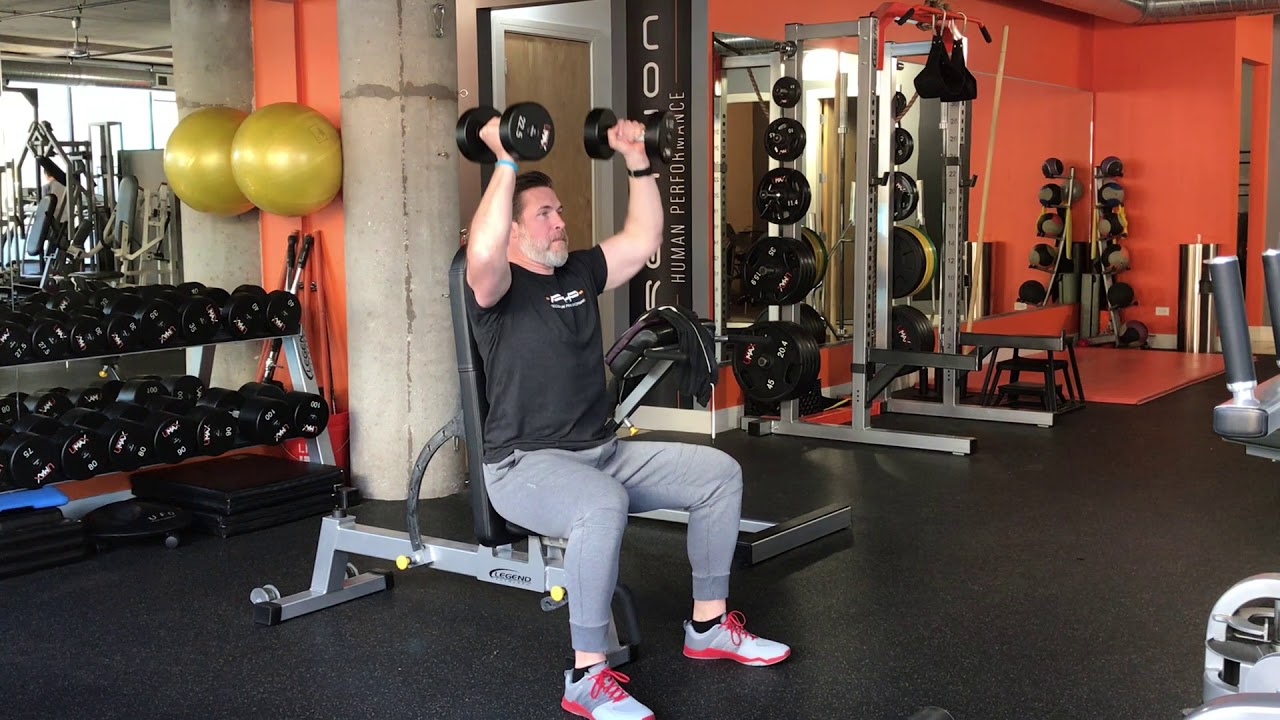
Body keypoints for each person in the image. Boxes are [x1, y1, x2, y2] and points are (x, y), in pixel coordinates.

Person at [463, 114, 790, 720]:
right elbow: (481, 253)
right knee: (600, 503)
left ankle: (708, 626)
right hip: (523, 466)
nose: (560, 221)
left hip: (602, 452)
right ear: (511, 229)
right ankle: (587, 677)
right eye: (544, 214)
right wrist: (504, 159)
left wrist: (638, 160)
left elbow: (640, 241)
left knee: (717, 473)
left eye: (560, 211)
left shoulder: (581, 272)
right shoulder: (495, 288)